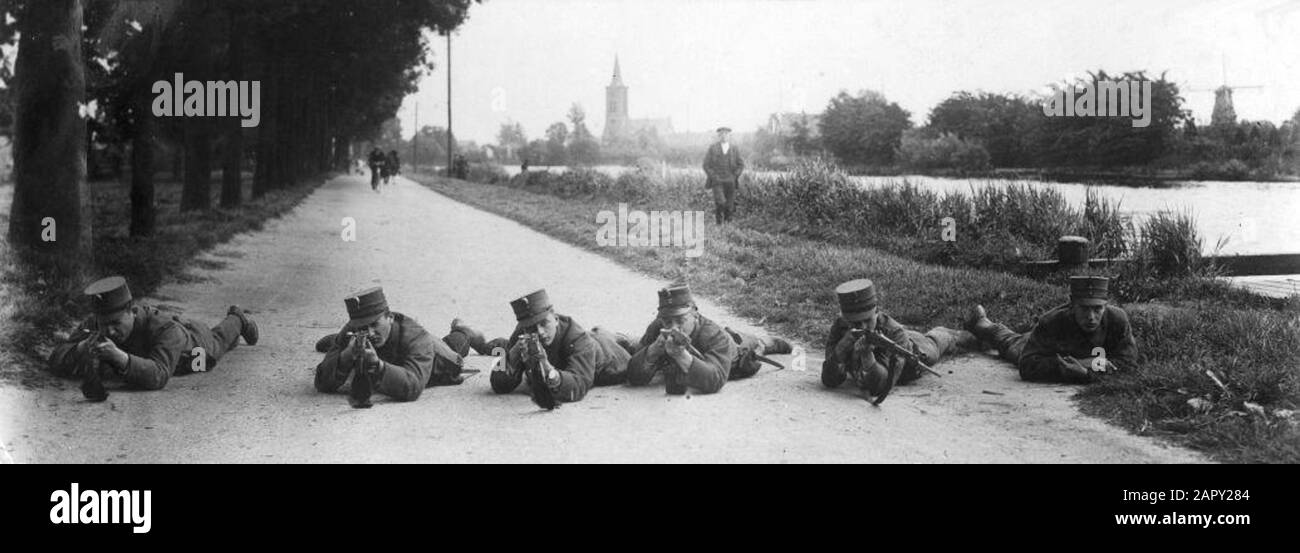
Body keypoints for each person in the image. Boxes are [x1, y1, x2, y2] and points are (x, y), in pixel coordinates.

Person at [48, 276, 259, 392]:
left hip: (191, 350)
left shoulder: (166, 330)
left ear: (132, 311)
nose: (109, 331)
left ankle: (238, 318)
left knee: (218, 342)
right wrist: (81, 347)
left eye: (115, 324)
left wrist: (119, 357)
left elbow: (158, 376)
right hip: (161, 344)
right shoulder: (97, 322)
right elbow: (56, 356)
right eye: (103, 325)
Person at [821, 279, 978, 403]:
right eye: (855, 323)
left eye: (867, 320)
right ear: (845, 319)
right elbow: (829, 380)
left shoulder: (895, 333)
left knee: (939, 341)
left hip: (915, 352)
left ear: (877, 311)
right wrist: (840, 350)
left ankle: (975, 331)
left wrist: (867, 356)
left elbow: (881, 387)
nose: (862, 327)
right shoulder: (840, 327)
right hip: (894, 333)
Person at [313, 287, 479, 402]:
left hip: (438, 362)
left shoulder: (416, 337)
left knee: (453, 346)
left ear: (390, 317)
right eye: (363, 328)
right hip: (397, 352)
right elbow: (321, 381)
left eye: (374, 325)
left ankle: (462, 330)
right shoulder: (352, 329)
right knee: (329, 345)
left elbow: (413, 387)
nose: (369, 333)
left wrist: (378, 366)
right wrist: (346, 356)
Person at [965, 276, 1138, 383]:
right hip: (1039, 346)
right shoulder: (1052, 322)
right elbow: (1027, 366)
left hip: (1054, 351)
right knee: (1013, 342)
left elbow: (1128, 366)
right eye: (1084, 309)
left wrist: (1086, 372)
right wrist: (1071, 366)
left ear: (1106, 305)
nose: (1091, 317)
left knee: (1016, 338)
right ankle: (983, 324)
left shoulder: (1117, 319)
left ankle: (984, 324)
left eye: (1097, 309)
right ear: (1072, 305)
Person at [625, 284, 791, 395]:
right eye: (668, 321)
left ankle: (767, 342)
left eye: (681, 320)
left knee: (752, 346)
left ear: (695, 314)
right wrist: (653, 351)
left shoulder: (713, 334)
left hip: (734, 358)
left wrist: (681, 356)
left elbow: (715, 380)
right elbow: (633, 374)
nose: (673, 327)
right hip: (709, 351)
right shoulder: (657, 327)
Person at [486, 289, 633, 405]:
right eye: (531, 328)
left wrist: (549, 370)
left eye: (544, 323)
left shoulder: (579, 339)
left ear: (555, 319)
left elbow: (578, 386)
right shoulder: (523, 334)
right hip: (590, 341)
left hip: (609, 357)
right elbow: (498, 384)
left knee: (630, 345)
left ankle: (621, 337)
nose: (540, 332)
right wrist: (513, 354)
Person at [702, 126, 744, 224]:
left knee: (729, 206)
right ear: (719, 136)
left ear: (729, 136)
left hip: (731, 181)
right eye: (722, 134)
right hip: (717, 181)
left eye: (726, 134)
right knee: (720, 202)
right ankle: (719, 224)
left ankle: (728, 225)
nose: (724, 136)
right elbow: (706, 165)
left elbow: (741, 164)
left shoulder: (734, 149)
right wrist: (713, 176)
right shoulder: (713, 148)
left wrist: (735, 176)